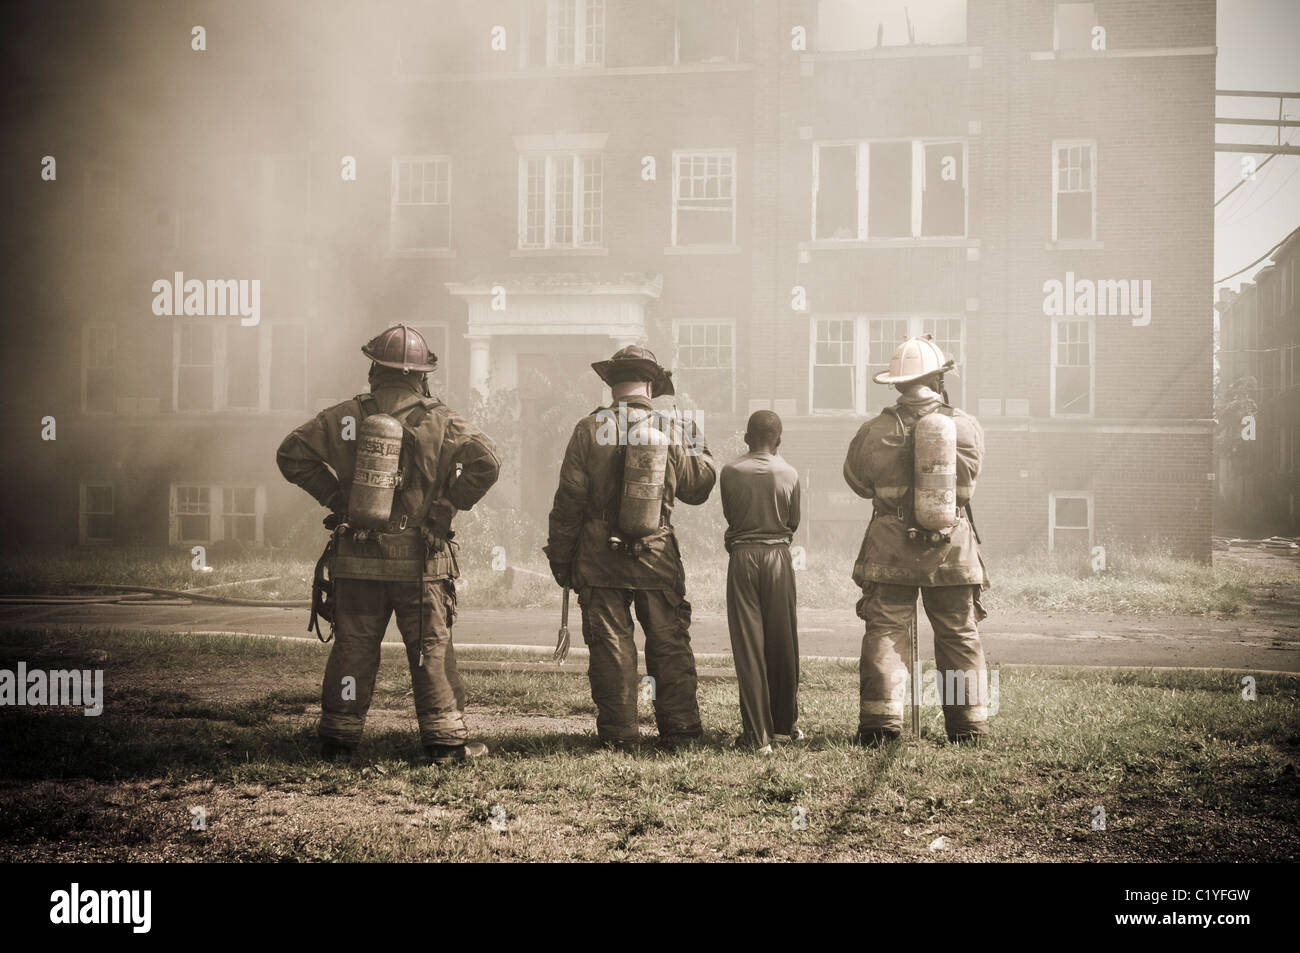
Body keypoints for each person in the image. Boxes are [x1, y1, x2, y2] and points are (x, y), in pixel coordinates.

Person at [276, 324, 501, 765]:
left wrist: (338, 497)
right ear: (421, 376)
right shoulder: (442, 419)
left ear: (374, 370)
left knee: (354, 646)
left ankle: (339, 741)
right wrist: (447, 506)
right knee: (429, 647)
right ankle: (444, 744)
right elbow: (488, 462)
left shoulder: (344, 416)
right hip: (419, 562)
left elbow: (291, 454)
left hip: (358, 559)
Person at [544, 345, 716, 750]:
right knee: (668, 642)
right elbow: (700, 487)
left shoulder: (588, 429)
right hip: (657, 556)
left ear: (612, 385)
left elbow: (568, 502)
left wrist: (561, 558)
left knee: (611, 646)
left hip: (599, 558)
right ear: (652, 384)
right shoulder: (677, 426)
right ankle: (681, 730)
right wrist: (695, 437)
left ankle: (620, 735)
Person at [842, 335, 991, 746]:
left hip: (891, 547)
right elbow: (971, 483)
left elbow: (856, 482)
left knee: (886, 631)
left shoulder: (873, 430)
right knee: (959, 634)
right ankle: (969, 727)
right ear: (938, 377)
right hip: (952, 550)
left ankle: (880, 727)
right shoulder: (966, 425)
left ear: (896, 384)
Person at [719, 410, 802, 756]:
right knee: (784, 641)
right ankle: (784, 726)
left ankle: (757, 735)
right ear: (779, 440)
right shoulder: (791, 473)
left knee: (749, 646)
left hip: (743, 557)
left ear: (746, 437)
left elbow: (730, 515)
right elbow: (793, 522)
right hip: (780, 556)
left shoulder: (730, 471)